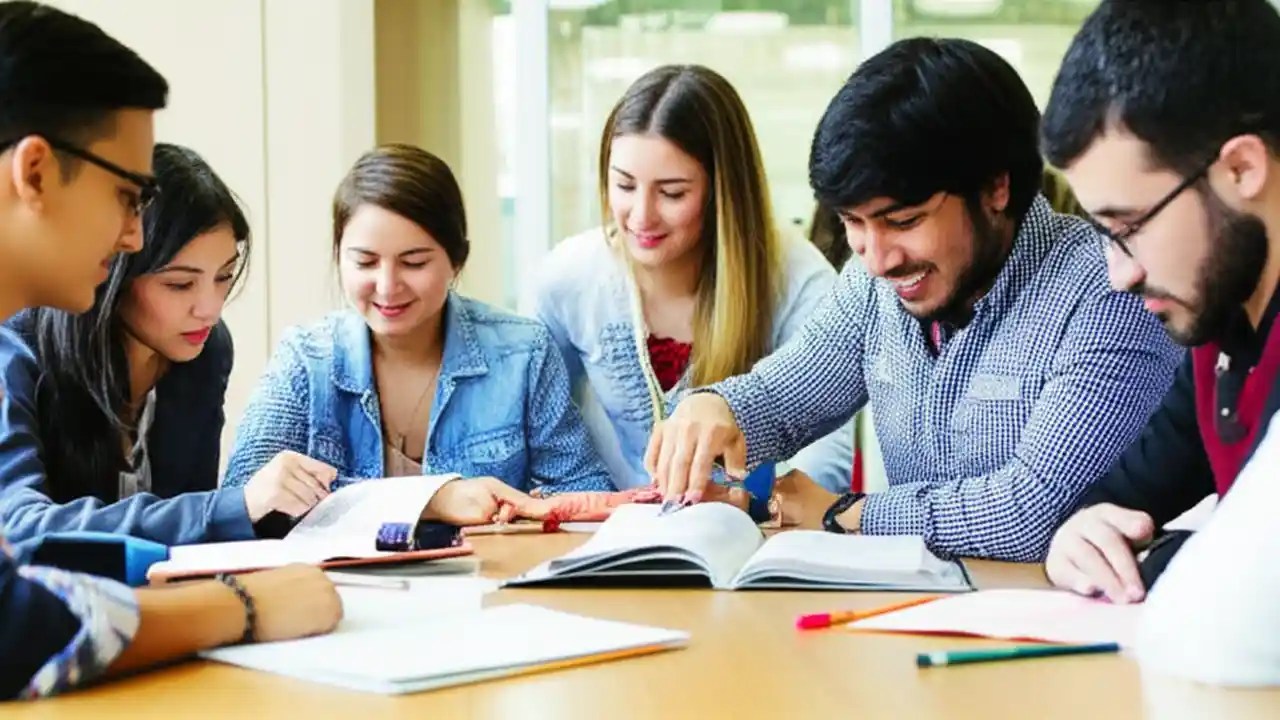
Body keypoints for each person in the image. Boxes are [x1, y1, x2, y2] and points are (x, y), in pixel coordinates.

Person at [644, 38, 1183, 562]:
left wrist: (841, 513)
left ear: (996, 188)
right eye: (852, 223)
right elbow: (783, 394)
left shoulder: (1108, 291)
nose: (877, 258)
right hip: (907, 618)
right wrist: (717, 408)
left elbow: (1037, 508)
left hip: (1056, 628)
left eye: (903, 221)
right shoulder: (873, 284)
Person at [0, 1, 339, 700]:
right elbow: (17, 618)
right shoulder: (23, 347)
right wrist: (243, 607)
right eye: (127, 196)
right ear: (34, 172)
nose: (131, 234)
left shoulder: (200, 354)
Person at [223, 143, 612, 531]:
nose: (388, 286)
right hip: (333, 589)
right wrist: (433, 501)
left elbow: (586, 489)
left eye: (414, 263)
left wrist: (531, 512)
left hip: (485, 584)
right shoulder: (307, 359)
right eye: (365, 262)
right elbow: (242, 500)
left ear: (457, 259)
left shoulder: (523, 352)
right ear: (338, 256)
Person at [1040, 0, 1280, 610]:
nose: (1120, 274)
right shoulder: (1224, 325)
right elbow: (1124, 500)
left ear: (1242, 167)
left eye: (1129, 226)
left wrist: (1172, 557)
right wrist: (1081, 534)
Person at [535, 64, 855, 499]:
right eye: (625, 185)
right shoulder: (568, 277)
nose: (641, 216)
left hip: (751, 538)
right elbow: (540, 434)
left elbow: (823, 457)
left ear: (723, 192)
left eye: (672, 193)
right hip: (606, 538)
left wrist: (744, 504)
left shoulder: (798, 278)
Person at [0, 142, 310, 545]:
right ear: (113, 272)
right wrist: (234, 506)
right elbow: (18, 529)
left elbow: (190, 532)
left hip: (152, 599)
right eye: (180, 284)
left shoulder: (206, 350)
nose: (210, 309)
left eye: (224, 276)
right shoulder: (16, 346)